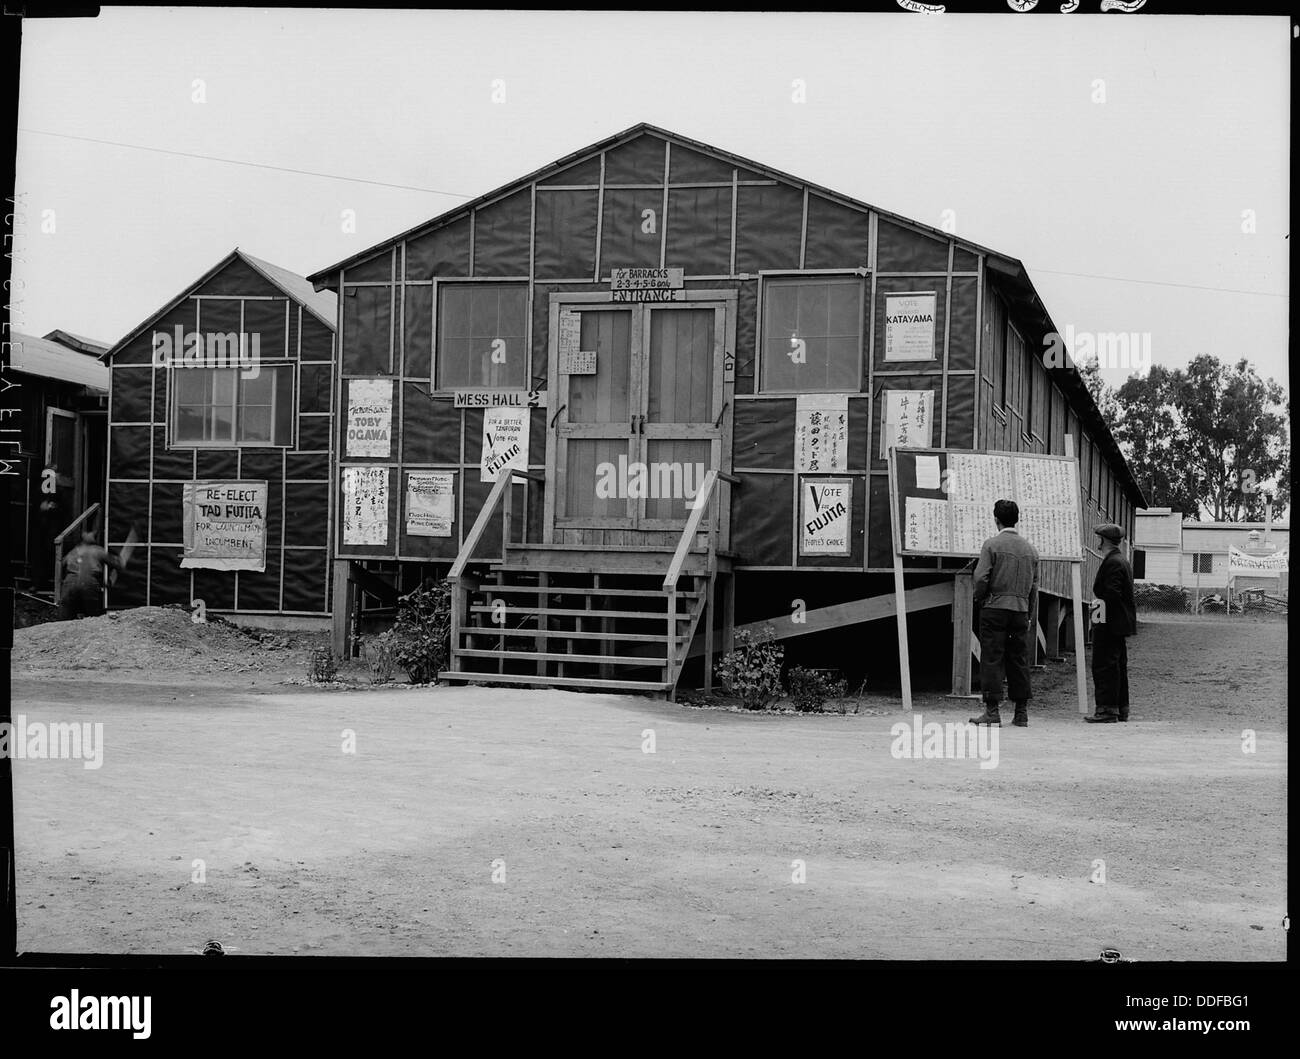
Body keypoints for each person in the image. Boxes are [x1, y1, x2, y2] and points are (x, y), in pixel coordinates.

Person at [969, 499, 1040, 728]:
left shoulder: (991, 545)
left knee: (992, 657)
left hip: (995, 608)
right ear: (1017, 519)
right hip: (1020, 610)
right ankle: (1021, 712)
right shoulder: (1031, 550)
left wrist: (981, 598)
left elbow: (981, 578)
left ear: (996, 519)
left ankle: (992, 711)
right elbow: (1034, 587)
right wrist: (1028, 612)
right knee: (1019, 659)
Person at [1085, 523, 1137, 723]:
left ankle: (1107, 709)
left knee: (1104, 665)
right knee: (1117, 666)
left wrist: (1098, 613)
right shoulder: (1121, 560)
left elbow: (1111, 594)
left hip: (1109, 622)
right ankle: (1120, 708)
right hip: (1119, 623)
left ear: (1103, 540)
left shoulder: (1112, 562)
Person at [59, 531, 120, 620]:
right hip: (89, 583)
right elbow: (117, 563)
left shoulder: (74, 551)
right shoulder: (98, 550)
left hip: (70, 583)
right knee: (93, 617)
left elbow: (61, 564)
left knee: (66, 617)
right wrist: (110, 580)